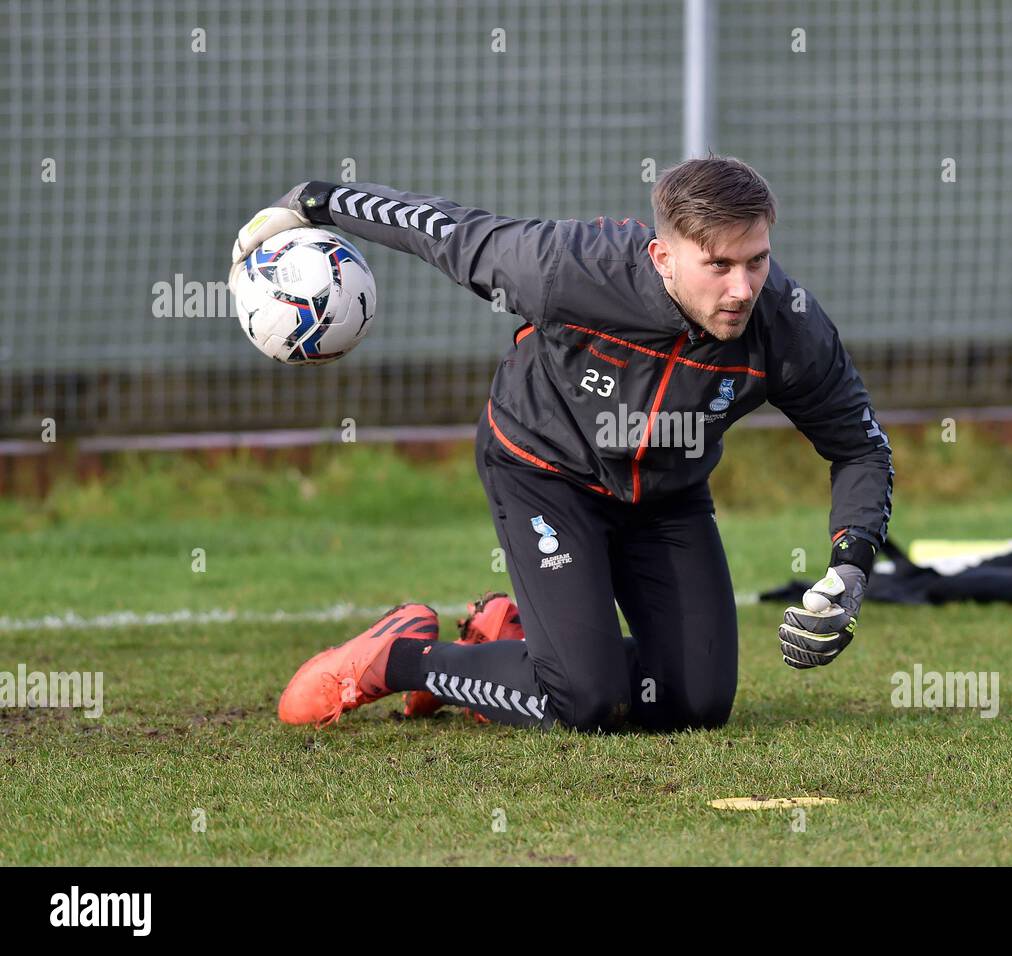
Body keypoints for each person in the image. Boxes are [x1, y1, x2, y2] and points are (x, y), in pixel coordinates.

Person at [234, 155, 893, 732]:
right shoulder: (566, 268)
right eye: (718, 265)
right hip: (542, 470)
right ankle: (399, 657)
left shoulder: (789, 326)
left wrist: (851, 565)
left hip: (665, 496)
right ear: (663, 256)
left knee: (695, 706)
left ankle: (510, 638)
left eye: (757, 261)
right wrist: (315, 200)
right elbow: (443, 229)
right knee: (585, 699)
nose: (742, 288)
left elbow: (860, 446)